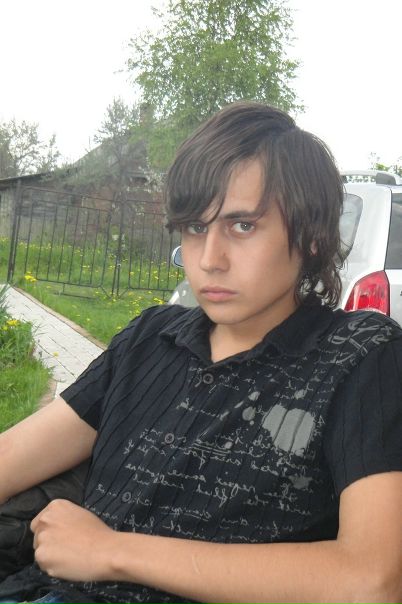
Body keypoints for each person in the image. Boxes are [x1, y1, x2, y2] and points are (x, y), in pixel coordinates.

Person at [0, 101, 401, 604]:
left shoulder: (360, 356)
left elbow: (371, 579)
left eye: (242, 226)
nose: (210, 259)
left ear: (312, 237)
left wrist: (112, 551)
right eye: (195, 227)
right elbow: (13, 456)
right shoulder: (150, 337)